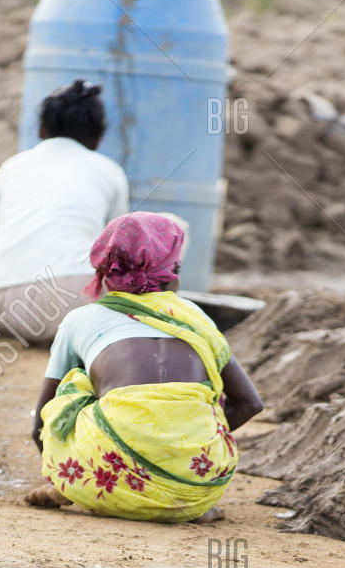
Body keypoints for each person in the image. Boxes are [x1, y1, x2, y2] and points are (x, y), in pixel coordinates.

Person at [28, 212, 262, 523]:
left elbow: (40, 427)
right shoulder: (195, 318)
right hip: (196, 488)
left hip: (103, 481)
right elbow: (250, 404)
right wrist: (181, 449)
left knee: (76, 384)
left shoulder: (80, 320)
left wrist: (68, 469)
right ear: (173, 267)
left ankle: (73, 487)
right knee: (204, 396)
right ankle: (172, 491)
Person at [0, 80, 129, 346]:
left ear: (41, 128)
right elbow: (117, 247)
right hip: (77, 306)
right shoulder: (109, 171)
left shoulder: (12, 167)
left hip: (2, 305)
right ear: (98, 136)